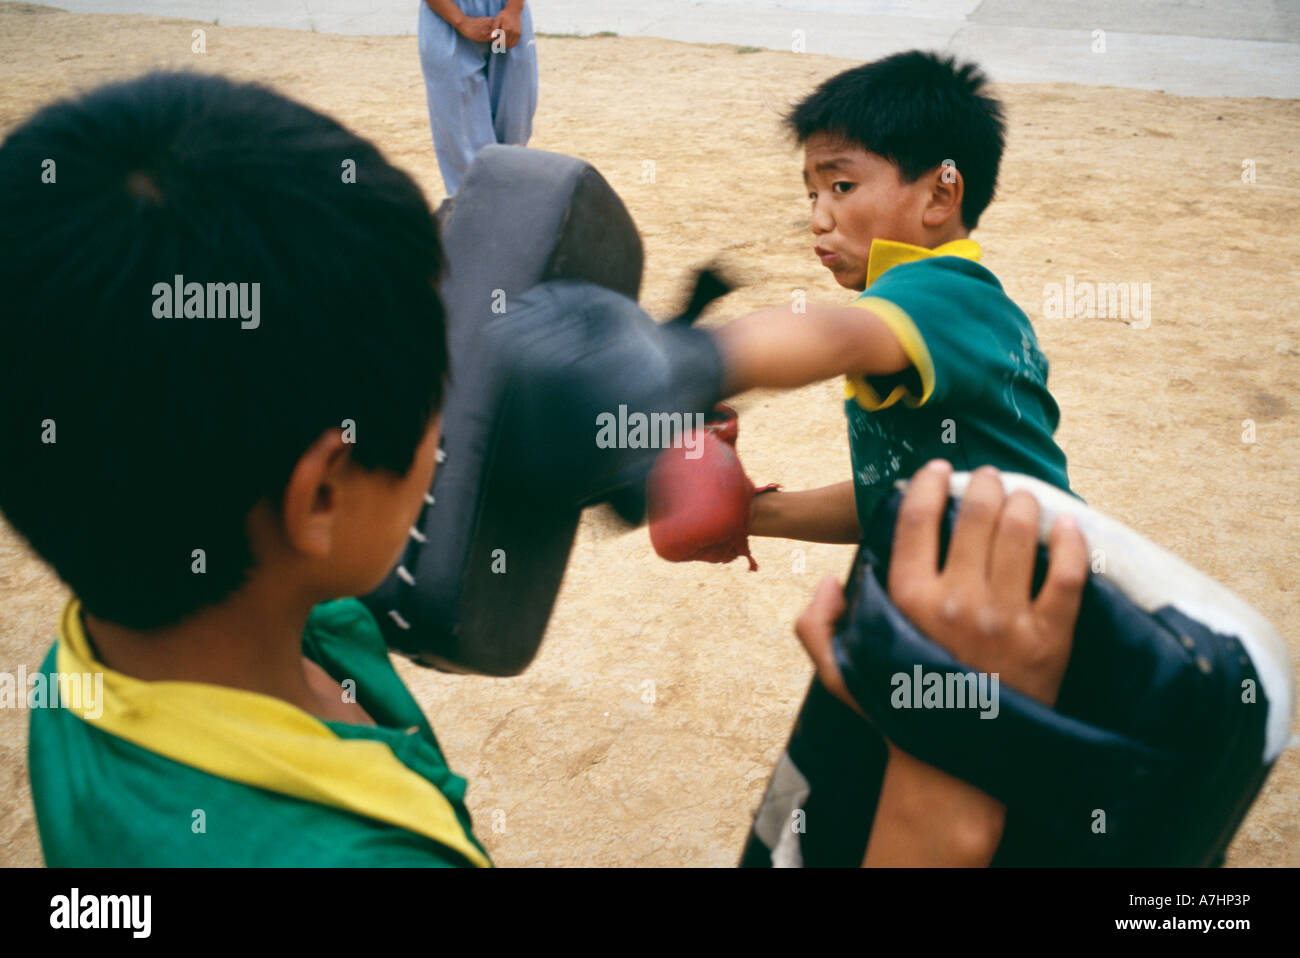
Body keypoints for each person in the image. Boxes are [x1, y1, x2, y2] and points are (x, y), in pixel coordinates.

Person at [0, 72, 1085, 867]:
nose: (452, 423)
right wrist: (942, 809)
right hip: (968, 649)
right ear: (321, 496)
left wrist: (693, 452)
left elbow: (856, 364)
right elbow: (844, 347)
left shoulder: (109, 661)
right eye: (435, 389)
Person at [650, 51, 1075, 567]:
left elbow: (834, 336)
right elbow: (896, 495)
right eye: (812, 194)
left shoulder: (942, 294)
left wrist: (690, 363)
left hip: (1020, 605)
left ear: (940, 196)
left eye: (841, 187)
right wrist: (754, 512)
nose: (818, 218)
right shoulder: (968, 307)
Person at [419, 0, 538, 196]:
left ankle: (510, 211)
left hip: (502, 23)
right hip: (447, 21)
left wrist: (513, 9)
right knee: (463, 135)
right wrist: (461, 22)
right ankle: (476, 215)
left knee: (512, 123)